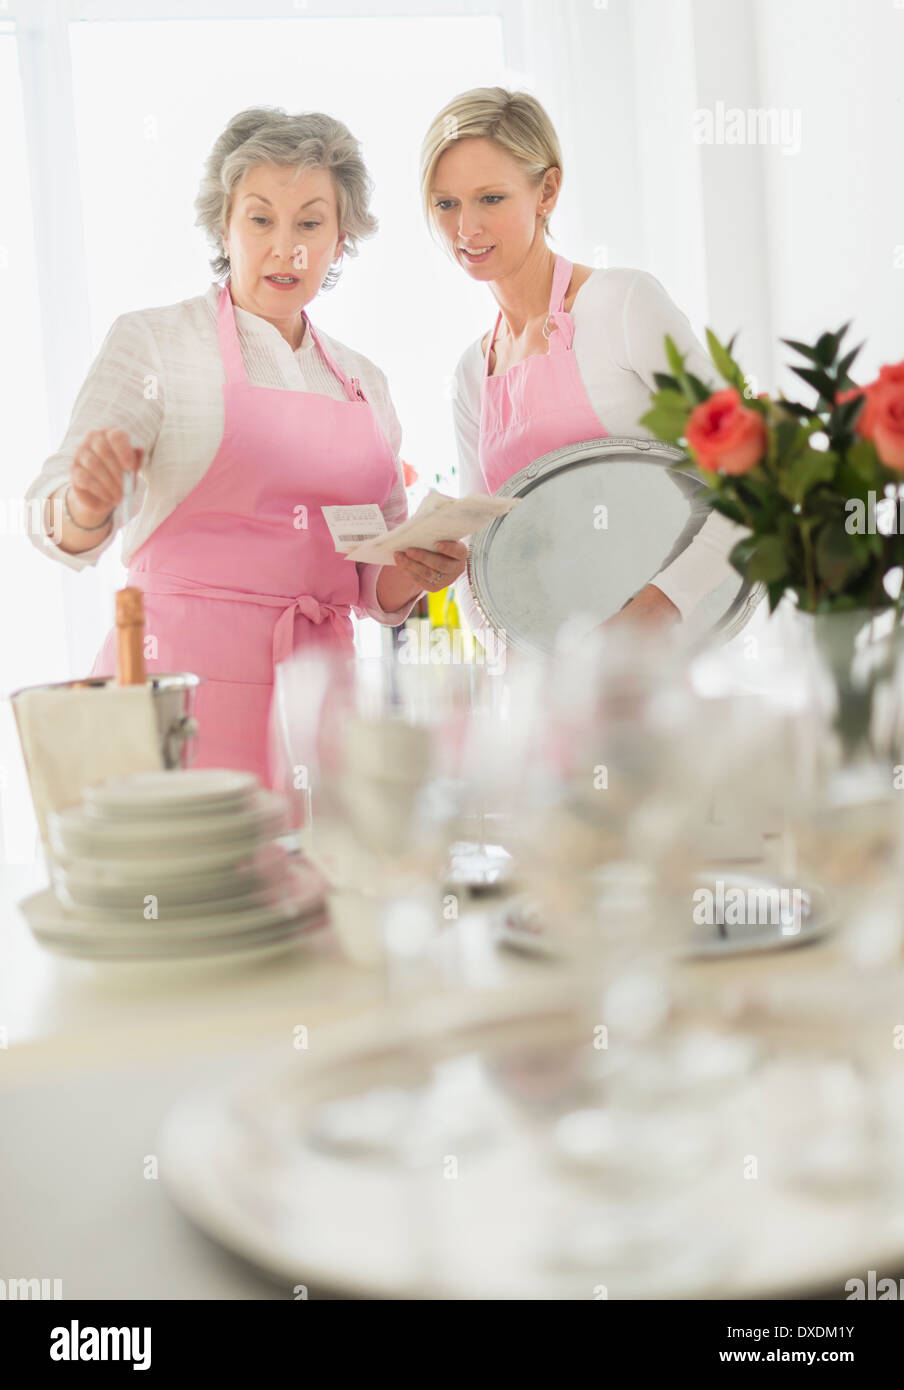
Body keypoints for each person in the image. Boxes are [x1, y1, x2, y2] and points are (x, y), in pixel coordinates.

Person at [27, 107, 467, 784]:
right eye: (260, 219)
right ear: (225, 228)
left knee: (316, 885)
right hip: (175, 708)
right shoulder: (157, 344)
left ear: (340, 240)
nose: (284, 247)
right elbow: (51, 516)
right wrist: (86, 506)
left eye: (310, 223)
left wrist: (418, 566)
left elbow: (374, 581)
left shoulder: (365, 384)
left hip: (321, 717)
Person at [418, 87, 743, 643]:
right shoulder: (474, 372)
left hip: (669, 660)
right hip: (551, 685)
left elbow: (752, 476)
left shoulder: (624, 305)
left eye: (490, 199)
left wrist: (661, 607)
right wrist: (514, 654)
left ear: (547, 190)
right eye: (446, 203)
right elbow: (482, 556)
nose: (465, 229)